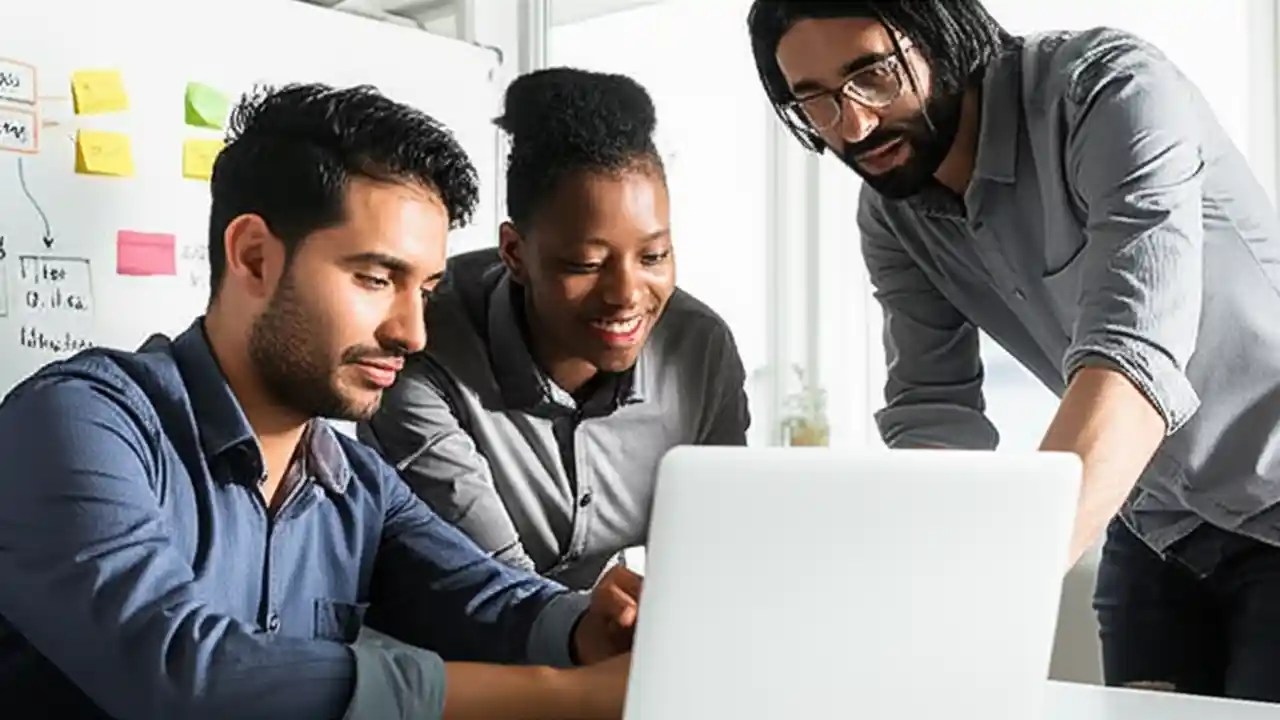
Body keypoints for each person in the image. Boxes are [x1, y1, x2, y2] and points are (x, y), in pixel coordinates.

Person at [0, 82, 641, 720]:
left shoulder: (358, 485)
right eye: (376, 278)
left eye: (426, 292)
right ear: (253, 257)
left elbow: (484, 599)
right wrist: (566, 698)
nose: (412, 333)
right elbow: (177, 671)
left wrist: (587, 624)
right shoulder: (77, 424)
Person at [749, 0, 1280, 704]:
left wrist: (992, 598)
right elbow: (935, 415)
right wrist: (905, 597)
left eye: (872, 75)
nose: (854, 125)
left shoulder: (1110, 92)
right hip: (1153, 527)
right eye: (812, 100)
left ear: (941, 27)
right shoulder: (891, 212)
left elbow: (1135, 359)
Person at [359, 67, 750, 590]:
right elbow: (496, 589)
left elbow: (718, 550)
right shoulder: (421, 345)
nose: (626, 294)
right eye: (586, 265)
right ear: (515, 254)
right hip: (448, 650)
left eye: (654, 256)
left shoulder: (698, 352)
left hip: (601, 646)